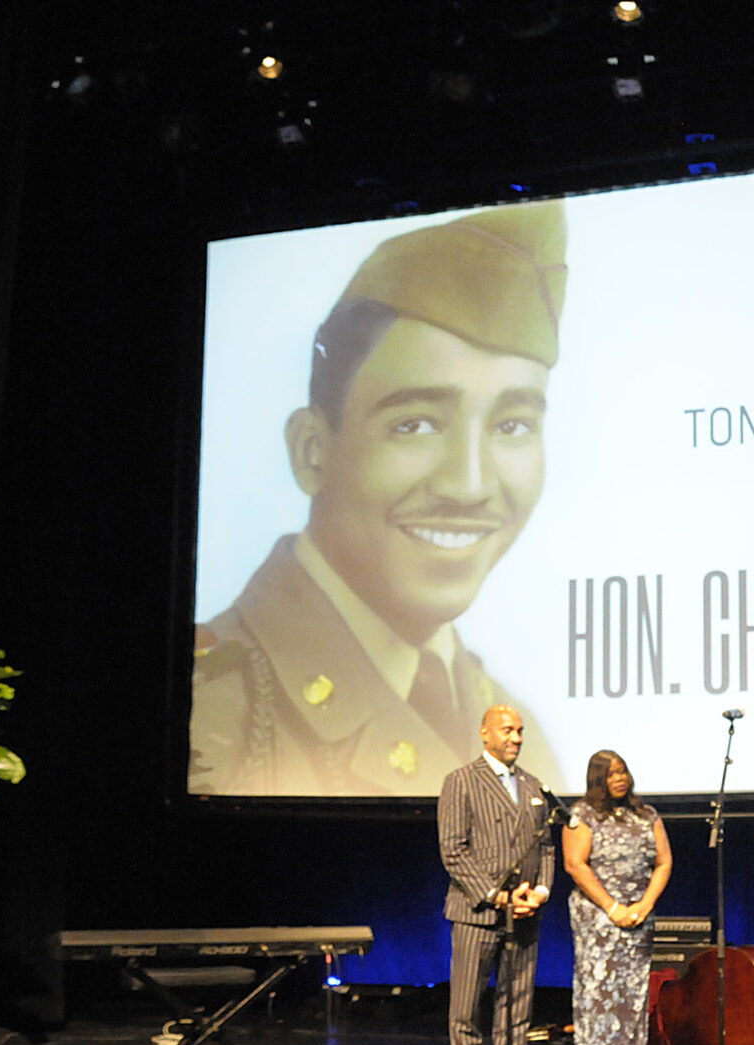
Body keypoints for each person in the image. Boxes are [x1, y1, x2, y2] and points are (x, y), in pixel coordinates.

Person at [190, 200, 567, 797]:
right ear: (313, 450)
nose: (469, 485)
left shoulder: (523, 739)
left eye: (512, 425)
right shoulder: (217, 714)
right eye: (415, 424)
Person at [438, 705, 556, 1045]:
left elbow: (545, 847)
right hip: (477, 915)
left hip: (525, 915)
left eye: (521, 731)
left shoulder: (534, 786)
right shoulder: (461, 782)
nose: (517, 738)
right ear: (485, 733)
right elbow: (453, 851)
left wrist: (539, 892)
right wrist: (496, 895)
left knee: (516, 1009)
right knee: (467, 1009)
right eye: (508, 730)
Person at [562, 750, 672, 1045]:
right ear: (597, 780)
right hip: (598, 918)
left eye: (622, 772)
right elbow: (575, 864)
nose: (619, 779)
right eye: (611, 774)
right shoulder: (582, 815)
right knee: (597, 992)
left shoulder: (646, 815)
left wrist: (644, 904)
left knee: (633, 993)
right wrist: (612, 908)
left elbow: (664, 862)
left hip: (638, 917)